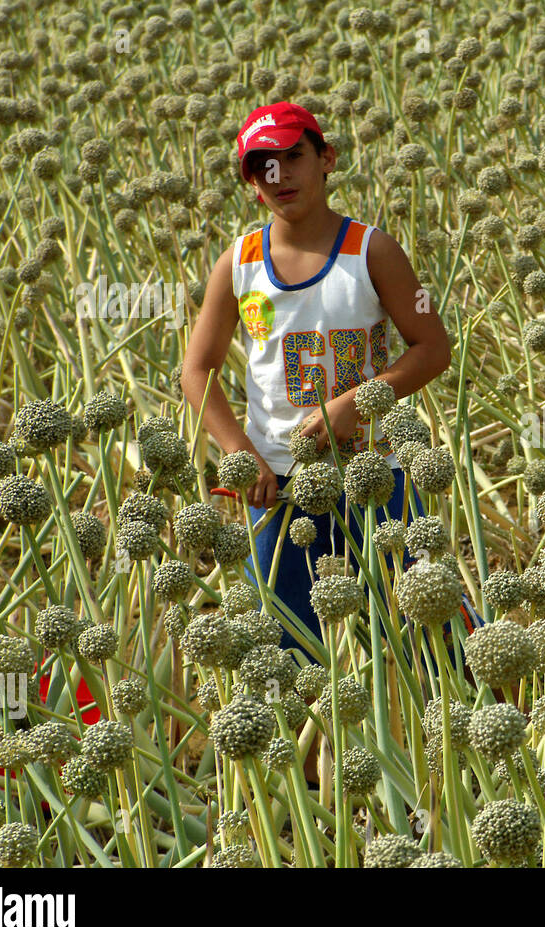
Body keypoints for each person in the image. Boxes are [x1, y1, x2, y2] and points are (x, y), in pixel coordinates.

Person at [181, 101, 481, 674]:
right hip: (276, 489)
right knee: (284, 650)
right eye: (262, 166)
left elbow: (432, 348)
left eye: (293, 157)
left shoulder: (372, 250)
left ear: (327, 159)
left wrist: (356, 405)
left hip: (376, 475)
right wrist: (242, 458)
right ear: (250, 184)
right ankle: (315, 765)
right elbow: (198, 370)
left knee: (435, 633)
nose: (279, 175)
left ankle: (481, 741)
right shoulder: (238, 263)